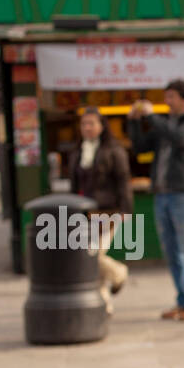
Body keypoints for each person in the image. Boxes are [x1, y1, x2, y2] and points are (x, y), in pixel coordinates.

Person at [127, 80, 184, 321]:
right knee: (173, 252)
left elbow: (180, 140)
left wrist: (153, 117)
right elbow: (140, 146)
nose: (167, 101)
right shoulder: (168, 125)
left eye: (171, 96)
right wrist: (133, 121)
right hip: (162, 194)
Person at [67, 106, 131, 314]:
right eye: (84, 124)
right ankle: (105, 304)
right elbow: (74, 185)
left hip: (108, 211)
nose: (87, 128)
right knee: (91, 257)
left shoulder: (114, 150)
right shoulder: (77, 151)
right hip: (84, 213)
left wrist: (126, 211)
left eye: (91, 123)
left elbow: (124, 182)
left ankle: (120, 273)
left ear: (102, 126)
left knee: (93, 255)